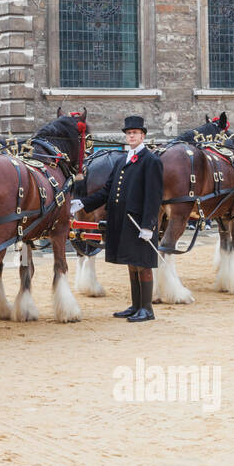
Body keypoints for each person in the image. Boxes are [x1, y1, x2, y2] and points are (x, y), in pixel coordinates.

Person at [79, 115, 164, 322]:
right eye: (128, 133)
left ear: (143, 135)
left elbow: (154, 197)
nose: (131, 136)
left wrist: (148, 225)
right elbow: (107, 190)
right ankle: (136, 305)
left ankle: (147, 309)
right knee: (132, 263)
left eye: (135, 133)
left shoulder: (151, 160)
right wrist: (83, 203)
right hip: (124, 222)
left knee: (143, 264)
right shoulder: (121, 160)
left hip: (140, 222)